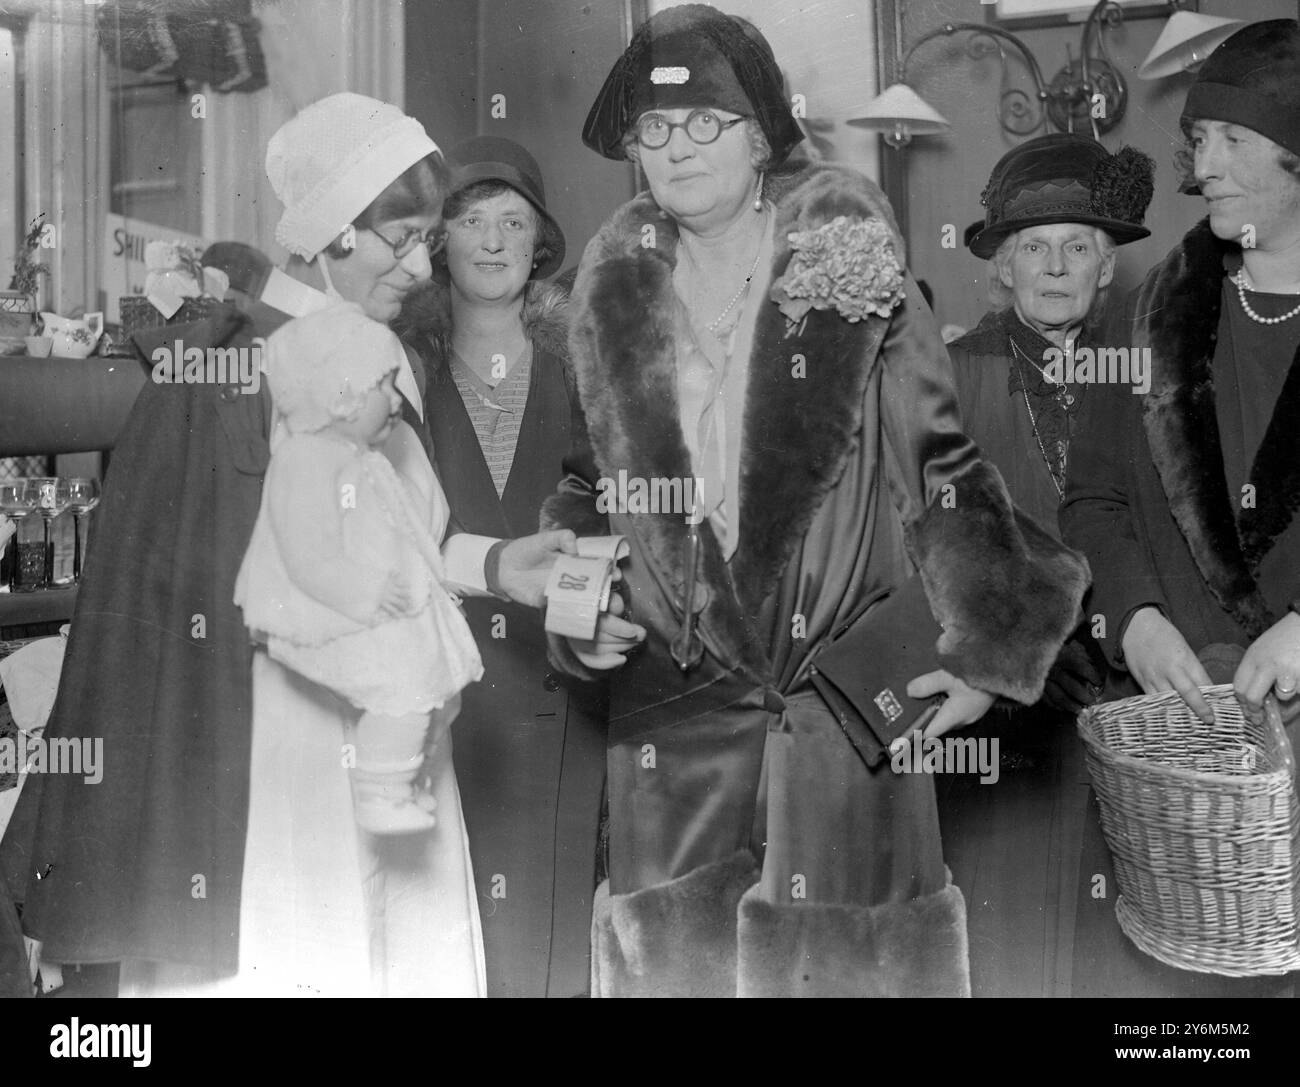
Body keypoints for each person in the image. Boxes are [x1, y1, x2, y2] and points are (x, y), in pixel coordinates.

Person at [542, 4, 1088, 997]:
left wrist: (988, 644)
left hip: (837, 714)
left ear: (760, 135)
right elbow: (587, 488)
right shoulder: (608, 289)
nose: (678, 146)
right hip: (673, 724)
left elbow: (940, 461)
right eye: (654, 129)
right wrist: (579, 604)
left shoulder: (849, 268)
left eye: (706, 121)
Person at [0, 93, 572, 997]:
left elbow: (415, 542)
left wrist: (502, 565)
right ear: (334, 230)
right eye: (400, 237)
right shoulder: (232, 368)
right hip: (283, 754)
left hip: (398, 741)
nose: (423, 266)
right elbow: (165, 600)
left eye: (428, 238)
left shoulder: (385, 359)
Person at [1061, 20, 1300, 997]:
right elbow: (1092, 498)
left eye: (1232, 141)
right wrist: (1138, 617)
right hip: (1183, 760)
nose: (1205, 167)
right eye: (1197, 140)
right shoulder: (1142, 315)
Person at [939, 134, 1154, 996]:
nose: (1055, 266)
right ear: (1002, 268)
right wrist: (1022, 651)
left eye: (1077, 247)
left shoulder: (1148, 371)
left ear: (1107, 267)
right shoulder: (954, 377)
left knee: (1125, 959)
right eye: (1033, 247)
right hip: (1002, 733)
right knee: (1012, 954)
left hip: (1133, 717)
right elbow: (926, 542)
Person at [400, 136, 607, 997]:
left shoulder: (583, 362)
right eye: (471, 220)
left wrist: (582, 614)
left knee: (542, 949)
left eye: (513, 223)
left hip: (556, 689)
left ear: (539, 244)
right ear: (437, 240)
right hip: (432, 700)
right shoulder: (397, 364)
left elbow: (610, 510)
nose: (491, 241)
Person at [236, 304, 483, 836]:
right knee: (405, 690)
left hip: (388, 604)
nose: (397, 402)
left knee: (438, 690)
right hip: (337, 612)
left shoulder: (365, 458)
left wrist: (432, 581)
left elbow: (409, 529)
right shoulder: (304, 461)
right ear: (340, 396)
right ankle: (381, 789)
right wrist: (366, 593)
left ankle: (404, 777)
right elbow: (308, 556)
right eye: (385, 388)